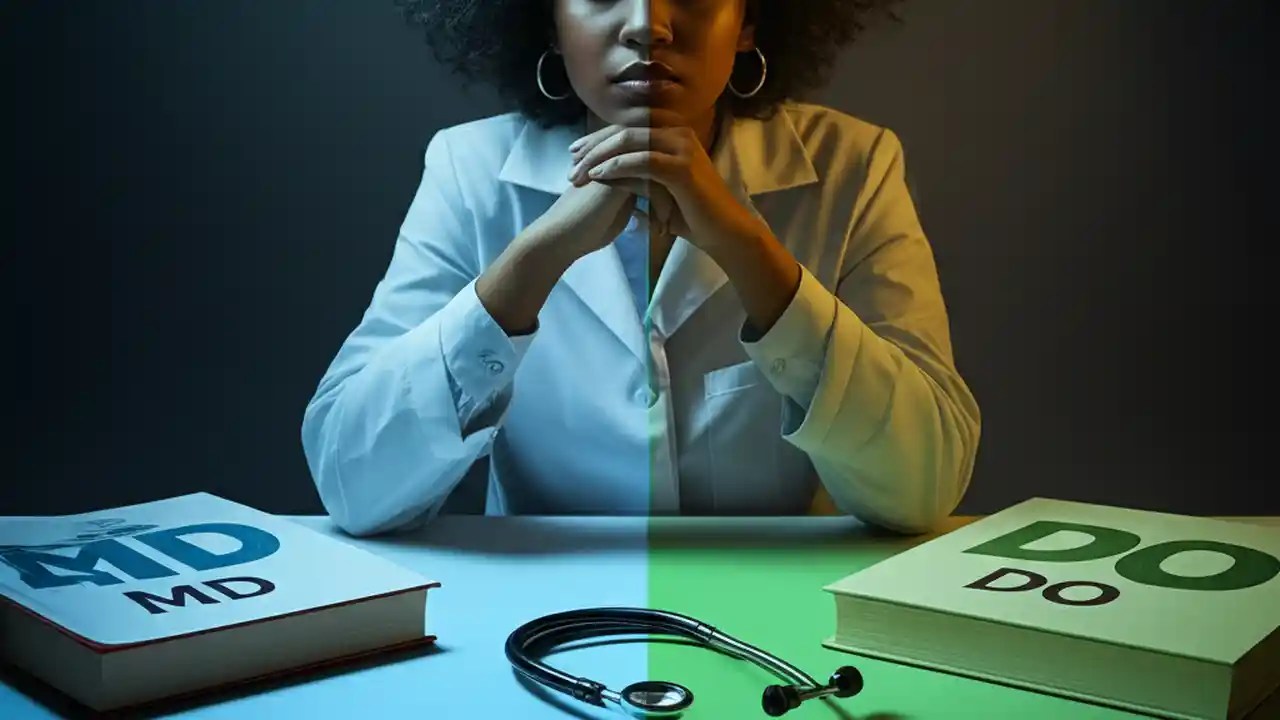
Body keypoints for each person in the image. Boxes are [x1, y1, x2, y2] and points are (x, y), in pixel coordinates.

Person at [301, 0, 981, 537]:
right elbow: (351, 483)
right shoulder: (468, 169)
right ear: (549, 19)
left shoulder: (852, 166)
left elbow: (924, 485)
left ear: (747, 20)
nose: (646, 25)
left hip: (777, 613)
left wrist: (749, 248)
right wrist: (536, 256)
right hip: (535, 621)